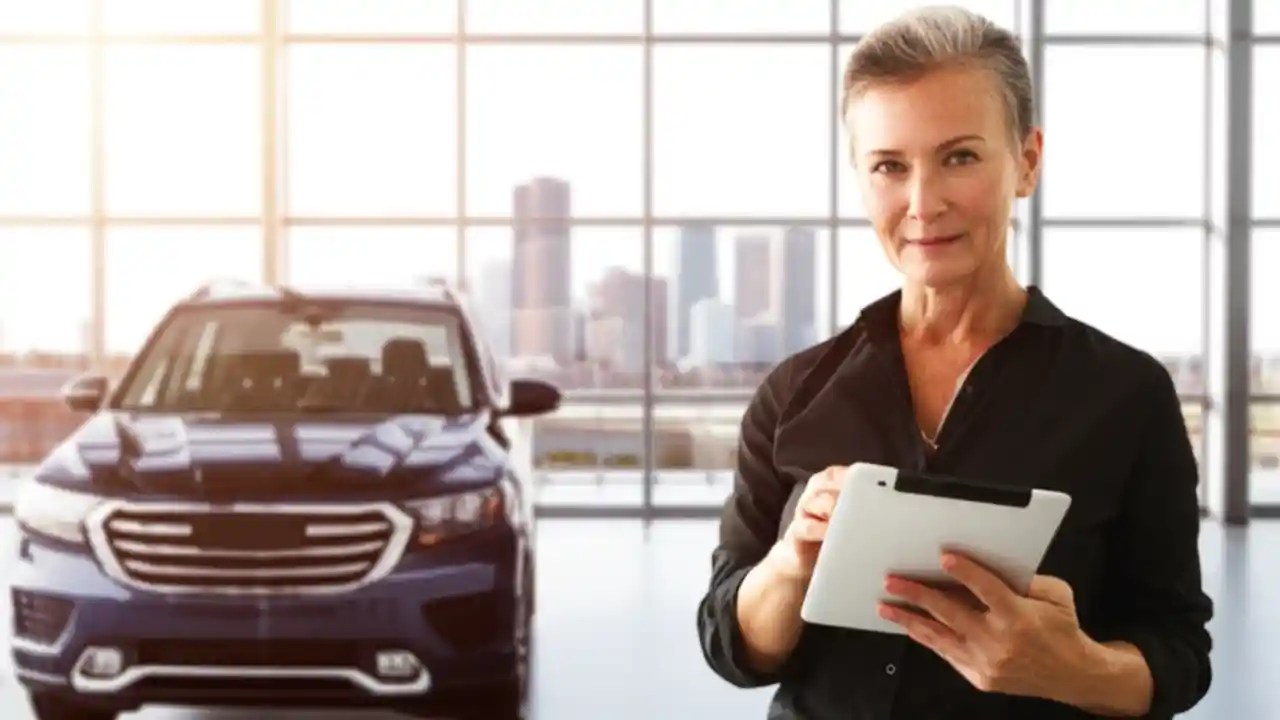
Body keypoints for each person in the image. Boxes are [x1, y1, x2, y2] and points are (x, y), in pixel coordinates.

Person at [695, 6, 1213, 719]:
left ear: (1027, 161)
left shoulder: (1126, 396)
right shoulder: (794, 393)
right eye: (889, 166)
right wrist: (790, 565)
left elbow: (1179, 654)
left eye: (960, 157)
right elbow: (731, 647)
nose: (922, 202)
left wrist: (1075, 668)